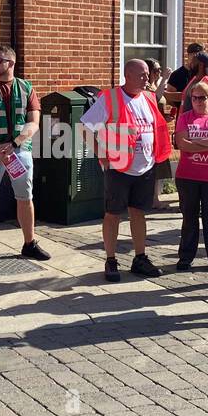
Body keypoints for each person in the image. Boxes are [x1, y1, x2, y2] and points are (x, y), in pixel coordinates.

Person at [80, 59, 171, 281]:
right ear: (127, 76)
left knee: (139, 213)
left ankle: (140, 257)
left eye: (148, 74)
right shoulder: (110, 98)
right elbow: (85, 126)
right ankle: (111, 260)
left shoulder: (149, 97)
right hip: (119, 167)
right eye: (142, 75)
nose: (147, 79)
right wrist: (101, 154)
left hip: (145, 166)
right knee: (113, 215)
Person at [0, 44, 49, 266]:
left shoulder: (26, 88)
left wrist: (14, 143)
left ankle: (29, 243)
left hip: (20, 151)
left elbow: (34, 122)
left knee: (25, 197)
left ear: (10, 63)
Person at [173, 80, 208, 272]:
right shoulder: (184, 117)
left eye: (202, 97)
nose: (198, 101)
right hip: (187, 175)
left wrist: (195, 141)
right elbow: (182, 144)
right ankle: (186, 257)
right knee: (189, 218)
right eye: (194, 97)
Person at [163, 42, 208, 116]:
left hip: (204, 116)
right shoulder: (177, 74)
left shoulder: (205, 73)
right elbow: (169, 99)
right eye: (196, 56)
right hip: (184, 116)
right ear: (189, 55)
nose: (199, 61)